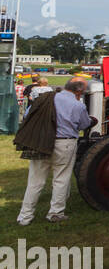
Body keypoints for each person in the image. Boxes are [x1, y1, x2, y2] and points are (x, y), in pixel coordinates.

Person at [15, 80, 94, 225]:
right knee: (61, 179)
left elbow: (28, 114)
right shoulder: (78, 105)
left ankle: (24, 217)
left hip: (42, 141)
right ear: (79, 92)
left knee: (35, 181)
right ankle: (55, 213)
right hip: (65, 143)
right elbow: (84, 124)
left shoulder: (46, 98)